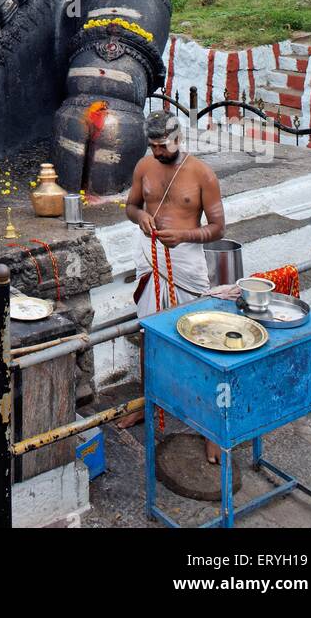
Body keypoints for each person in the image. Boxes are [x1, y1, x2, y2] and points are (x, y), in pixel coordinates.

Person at [116, 110, 226, 464]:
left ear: (179, 139)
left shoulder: (201, 174)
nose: (158, 152)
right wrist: (141, 217)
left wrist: (184, 235)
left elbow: (219, 228)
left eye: (163, 145)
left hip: (186, 264)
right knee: (151, 336)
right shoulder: (144, 167)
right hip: (150, 259)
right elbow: (130, 207)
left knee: (200, 341)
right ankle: (150, 403)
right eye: (153, 146)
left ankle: (212, 427)